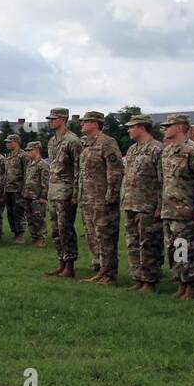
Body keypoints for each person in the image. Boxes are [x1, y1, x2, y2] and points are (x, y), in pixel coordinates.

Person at [160, 111, 194, 298]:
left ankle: (191, 284)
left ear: (179, 127)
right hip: (169, 210)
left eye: (168, 126)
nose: (165, 129)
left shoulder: (193, 151)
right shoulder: (167, 151)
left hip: (185, 211)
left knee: (185, 248)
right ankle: (180, 281)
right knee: (173, 248)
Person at [78, 111, 124, 284]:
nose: (82, 124)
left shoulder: (107, 142)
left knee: (106, 237)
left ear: (95, 123)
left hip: (102, 200)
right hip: (88, 200)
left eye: (85, 121)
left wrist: (111, 197)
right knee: (92, 236)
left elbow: (115, 171)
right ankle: (100, 271)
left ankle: (109, 274)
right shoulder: (87, 144)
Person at [121, 114, 164, 292]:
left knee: (148, 244)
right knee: (132, 243)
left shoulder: (157, 149)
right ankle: (138, 278)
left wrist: (160, 205)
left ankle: (150, 281)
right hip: (131, 203)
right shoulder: (132, 150)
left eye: (131, 127)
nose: (129, 130)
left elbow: (163, 180)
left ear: (142, 127)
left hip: (148, 205)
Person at [44, 108, 83, 278]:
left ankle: (70, 265)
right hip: (54, 191)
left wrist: (75, 193)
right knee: (55, 230)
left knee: (65, 229)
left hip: (66, 191)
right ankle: (61, 262)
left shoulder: (72, 141)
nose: (50, 121)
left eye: (54, 118)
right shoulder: (52, 141)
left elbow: (78, 169)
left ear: (63, 119)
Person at [3, 133, 29, 244]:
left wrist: (24, 189)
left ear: (16, 142)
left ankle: (20, 234)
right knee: (10, 213)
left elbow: (27, 173)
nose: (7, 144)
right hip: (8, 189)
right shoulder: (8, 156)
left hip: (18, 189)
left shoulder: (23, 155)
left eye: (9, 142)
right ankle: (15, 232)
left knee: (18, 212)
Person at [23, 141, 49, 246]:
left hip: (37, 197)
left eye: (30, 150)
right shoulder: (30, 163)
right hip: (28, 195)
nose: (27, 152)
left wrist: (43, 196)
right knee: (30, 218)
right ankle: (34, 238)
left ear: (36, 150)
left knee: (39, 218)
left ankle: (41, 239)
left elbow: (45, 182)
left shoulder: (42, 165)